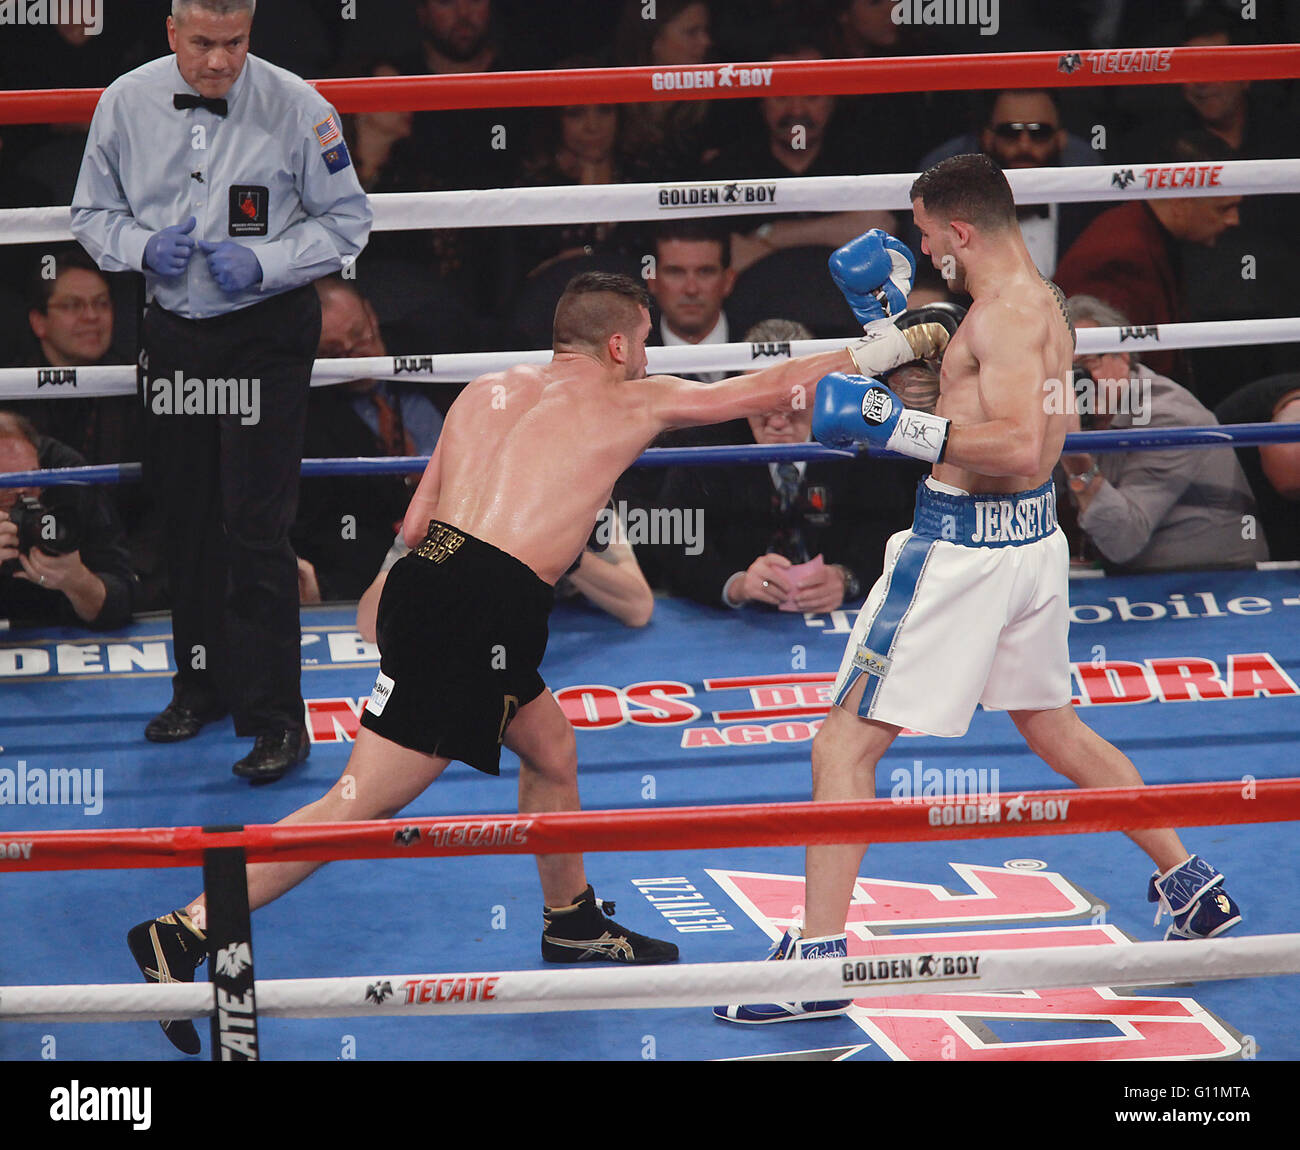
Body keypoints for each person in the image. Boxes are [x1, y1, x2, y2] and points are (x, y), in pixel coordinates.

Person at [127, 268, 953, 1054]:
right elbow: (777, 386)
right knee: (356, 803)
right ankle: (186, 930)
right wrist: (895, 342)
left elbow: (416, 527)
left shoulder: (483, 393)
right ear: (623, 347)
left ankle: (572, 920)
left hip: (437, 583)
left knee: (553, 750)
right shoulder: (635, 399)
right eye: (647, 343)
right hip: (481, 608)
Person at [716, 156, 1242, 1026]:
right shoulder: (1040, 299)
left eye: (925, 231)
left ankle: (817, 965)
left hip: (961, 550)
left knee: (842, 746)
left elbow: (1022, 449)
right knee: (1055, 727)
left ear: (960, 230)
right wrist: (909, 338)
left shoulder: (1000, 319)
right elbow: (1005, 416)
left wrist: (896, 423)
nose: (919, 245)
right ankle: (1194, 887)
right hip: (1031, 545)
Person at [69, 0, 372, 783]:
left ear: (251, 33)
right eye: (202, 43)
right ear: (173, 32)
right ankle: (198, 688)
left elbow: (347, 223)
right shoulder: (125, 102)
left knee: (255, 524)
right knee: (188, 514)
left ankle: (277, 720)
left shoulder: (300, 107)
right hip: (172, 333)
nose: (217, 62)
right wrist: (138, 246)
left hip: (265, 336)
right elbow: (90, 212)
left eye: (233, 44)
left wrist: (268, 264)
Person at [1060, 294, 1264, 572]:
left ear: (1123, 356)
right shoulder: (1075, 410)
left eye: (1088, 364)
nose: (1078, 381)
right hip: (1132, 579)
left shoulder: (1169, 416)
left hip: (1216, 582)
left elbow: (1123, 540)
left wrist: (1072, 455)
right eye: (1066, 370)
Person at [294, 276, 442, 604]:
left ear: (371, 315)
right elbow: (328, 528)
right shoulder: (311, 419)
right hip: (385, 556)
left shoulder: (431, 350)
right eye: (335, 353)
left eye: (360, 336)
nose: (356, 359)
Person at [1053, 130, 1241, 384]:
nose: (1234, 220)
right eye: (1224, 208)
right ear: (1180, 202)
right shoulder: (1122, 256)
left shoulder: (1141, 233)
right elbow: (1103, 377)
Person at [0, 411, 136, 631]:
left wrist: (78, 582)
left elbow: (124, 596)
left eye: (32, 479)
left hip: (61, 629)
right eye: (6, 487)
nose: (22, 494)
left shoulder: (67, 476)